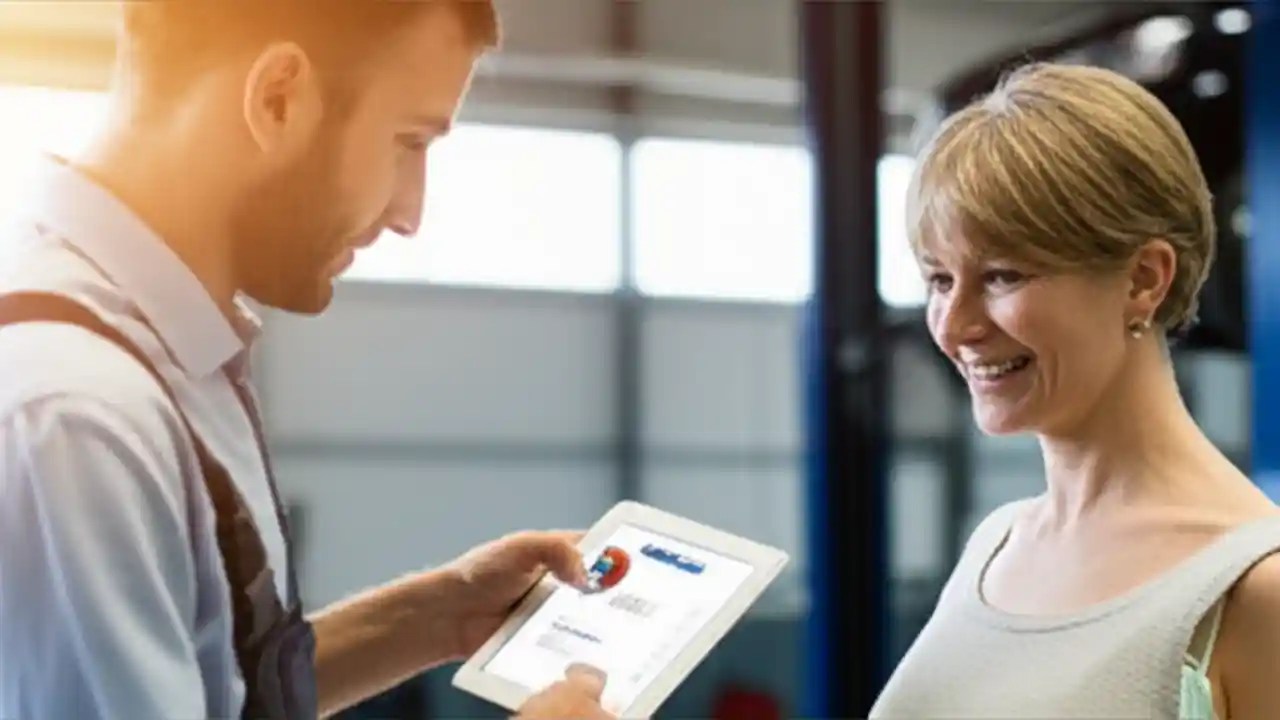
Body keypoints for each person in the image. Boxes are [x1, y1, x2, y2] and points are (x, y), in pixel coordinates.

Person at [0, 1, 613, 718]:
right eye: (408, 142)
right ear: (278, 97)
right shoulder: (77, 415)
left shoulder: (157, 352)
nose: (409, 213)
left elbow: (216, 685)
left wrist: (437, 615)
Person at [869, 62, 1280, 719]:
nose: (955, 327)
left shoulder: (1254, 588)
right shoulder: (997, 545)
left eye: (1002, 276)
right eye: (940, 281)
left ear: (1144, 279)